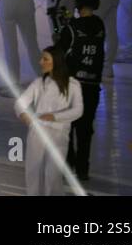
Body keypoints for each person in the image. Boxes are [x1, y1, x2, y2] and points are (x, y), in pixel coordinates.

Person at [14, 47, 83, 195]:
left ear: (56, 62)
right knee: (33, 171)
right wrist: (24, 115)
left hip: (59, 134)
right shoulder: (38, 83)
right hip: (37, 132)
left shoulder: (72, 85)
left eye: (45, 59)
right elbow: (20, 103)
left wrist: (55, 117)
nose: (40, 62)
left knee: (52, 175)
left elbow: (78, 110)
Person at [56, 0, 105, 183]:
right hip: (93, 85)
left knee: (68, 127)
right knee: (86, 130)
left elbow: (59, 51)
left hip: (73, 85)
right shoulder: (100, 25)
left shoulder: (72, 28)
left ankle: (68, 167)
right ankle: (83, 169)